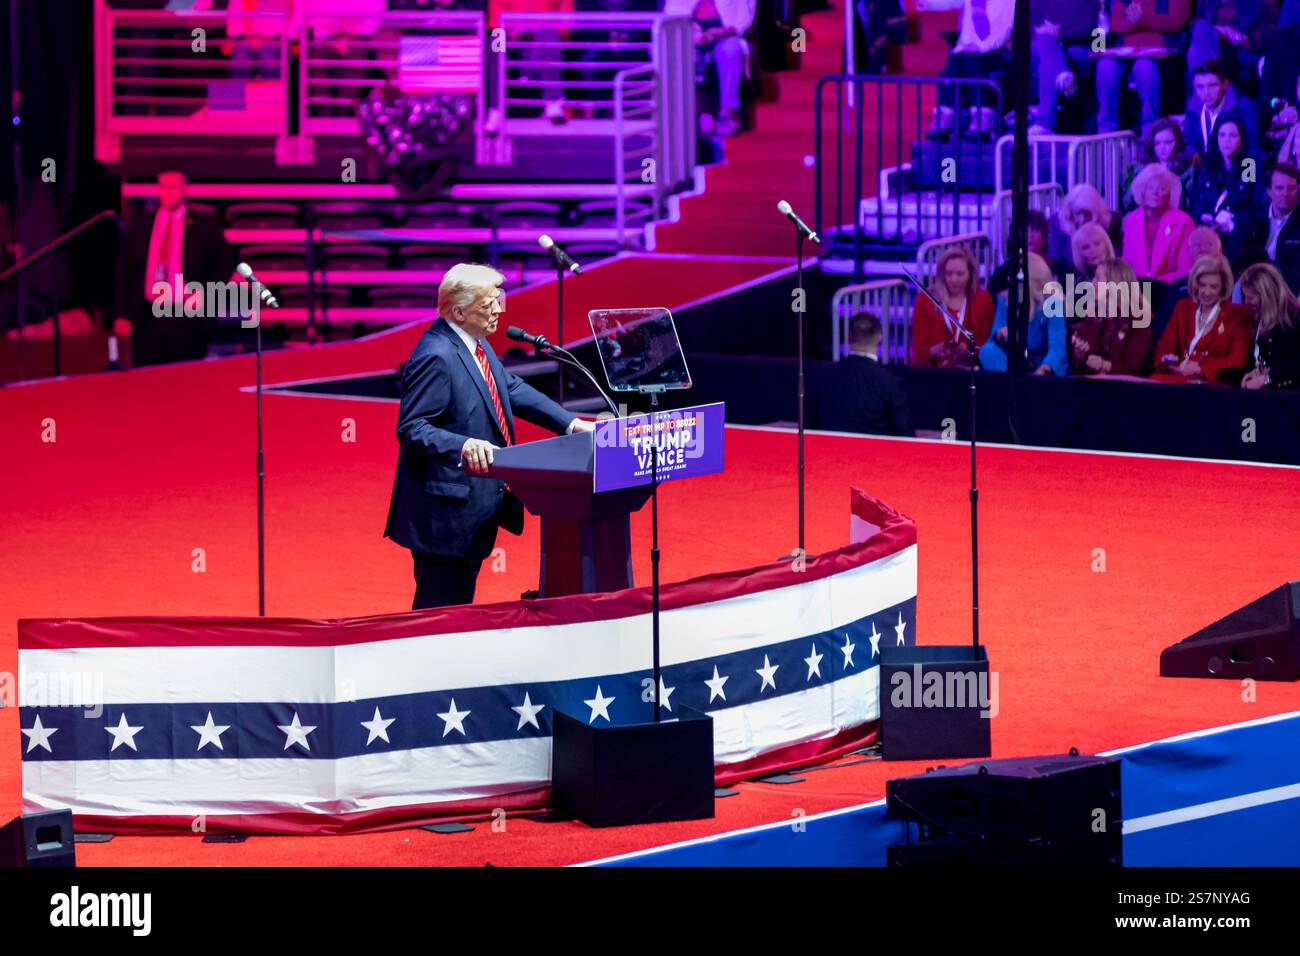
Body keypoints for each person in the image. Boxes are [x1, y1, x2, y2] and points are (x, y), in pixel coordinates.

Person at [384, 263, 596, 609]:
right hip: (444, 515)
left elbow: (510, 388)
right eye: (488, 303)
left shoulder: (473, 344)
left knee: (456, 607)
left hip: (470, 507)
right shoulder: (436, 355)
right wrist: (463, 444)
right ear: (459, 310)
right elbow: (412, 428)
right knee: (439, 612)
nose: (499, 308)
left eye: (499, 298)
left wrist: (571, 424)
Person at [112, 170, 237, 367]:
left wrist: (202, 293)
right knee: (147, 378)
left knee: (186, 376)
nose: (168, 192)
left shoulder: (205, 223)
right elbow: (124, 270)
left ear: (185, 189)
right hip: (147, 315)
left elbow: (225, 263)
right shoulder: (141, 222)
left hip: (186, 314)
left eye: (174, 186)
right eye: (163, 186)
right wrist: (121, 314)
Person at [919, 0, 1014, 139]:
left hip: (1000, 50)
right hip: (973, 51)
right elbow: (964, 27)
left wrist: (981, 48)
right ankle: (945, 118)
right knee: (956, 58)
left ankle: (982, 120)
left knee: (971, 59)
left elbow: (1006, 30)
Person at [808, 313, 915, 437]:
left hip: (825, 454)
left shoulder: (821, 377)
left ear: (848, 337)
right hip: (875, 455)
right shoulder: (891, 384)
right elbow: (905, 437)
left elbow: (809, 429)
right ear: (880, 337)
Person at [1154, 253, 1254, 381]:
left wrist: (1200, 369)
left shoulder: (1238, 315)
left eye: (1213, 287)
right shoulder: (1183, 308)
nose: (1206, 292)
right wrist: (1173, 366)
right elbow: (1164, 348)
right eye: (1202, 285)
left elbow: (1238, 360)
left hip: (1210, 386)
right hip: (1175, 377)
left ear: (1223, 287)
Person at [666, 0, 755, 137]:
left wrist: (724, 31)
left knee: (731, 49)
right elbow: (671, 14)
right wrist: (691, 30)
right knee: (668, 51)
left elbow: (744, 20)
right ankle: (675, 117)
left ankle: (728, 112)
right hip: (689, 35)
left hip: (726, 35)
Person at [979, 252, 1068, 375]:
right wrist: (1000, 335)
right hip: (1013, 362)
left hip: (1043, 364)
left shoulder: (1053, 303)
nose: (1009, 279)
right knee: (988, 351)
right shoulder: (1004, 301)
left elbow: (1057, 345)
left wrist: (1045, 368)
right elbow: (992, 339)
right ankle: (1010, 390)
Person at [1185, 117, 1258, 261]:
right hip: (1209, 228)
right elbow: (1197, 205)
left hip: (1237, 230)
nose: (1227, 140)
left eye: (1233, 135)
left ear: (1241, 138)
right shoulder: (1206, 167)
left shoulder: (1249, 165)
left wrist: (1229, 221)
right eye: (1222, 135)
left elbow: (1251, 203)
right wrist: (1205, 216)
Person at [909, 245, 995, 367]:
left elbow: (987, 345)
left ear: (970, 274)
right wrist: (935, 350)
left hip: (972, 372)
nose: (954, 280)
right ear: (941, 274)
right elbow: (918, 351)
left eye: (960, 274)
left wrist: (968, 350)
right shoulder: (925, 299)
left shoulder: (982, 299)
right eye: (949, 274)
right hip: (932, 372)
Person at [1070, 257, 1153, 375]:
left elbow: (1134, 367)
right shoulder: (1093, 315)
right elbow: (1078, 366)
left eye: (1098, 278)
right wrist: (1079, 355)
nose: (1092, 283)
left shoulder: (1139, 319)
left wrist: (1105, 365)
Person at [1029, 0, 1101, 132]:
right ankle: (1063, 74)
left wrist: (1059, 33)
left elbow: (1094, 30)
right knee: (1044, 43)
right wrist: (1043, 32)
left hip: (1079, 49)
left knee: (1048, 62)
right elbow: (1030, 28)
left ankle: (1045, 124)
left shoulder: (1090, 3)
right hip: (1045, 46)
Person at [1121, 163, 1198, 283]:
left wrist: (1155, 282)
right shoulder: (1131, 220)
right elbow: (1126, 264)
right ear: (1142, 191)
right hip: (1137, 290)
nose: (1155, 193)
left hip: (1168, 290)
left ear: (1171, 193)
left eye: (1162, 189)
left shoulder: (1184, 222)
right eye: (1150, 188)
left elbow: (1186, 268)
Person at [1238, 261, 1300, 389]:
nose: (1246, 301)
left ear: (1266, 295)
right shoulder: (1260, 317)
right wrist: (1256, 372)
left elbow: (1294, 363)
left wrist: (1266, 379)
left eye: (1250, 297)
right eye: (1245, 296)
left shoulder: (1293, 318)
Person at [1182, 59, 1260, 159]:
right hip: (1207, 170)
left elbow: (1253, 148)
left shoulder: (1243, 106)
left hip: (1237, 169)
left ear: (1225, 84)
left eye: (1212, 86)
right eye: (1200, 87)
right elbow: (1189, 139)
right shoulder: (1193, 106)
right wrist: (1194, 155)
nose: (1206, 93)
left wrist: (1249, 174)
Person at [1243, 162, 1300, 291]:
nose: (1285, 193)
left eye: (1291, 188)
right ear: (1269, 191)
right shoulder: (1252, 218)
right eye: (1280, 188)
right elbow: (1238, 256)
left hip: (1289, 289)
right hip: (1252, 284)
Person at [1119, 118, 1194, 213]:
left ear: (1178, 142)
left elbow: (1188, 205)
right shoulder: (1136, 168)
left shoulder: (1189, 170)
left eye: (1168, 142)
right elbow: (1126, 202)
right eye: (1157, 143)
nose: (1162, 147)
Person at [1048, 183, 1116, 265]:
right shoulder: (1057, 225)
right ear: (1071, 213)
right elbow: (1062, 266)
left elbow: (1113, 259)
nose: (1082, 219)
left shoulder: (1110, 223)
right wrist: (1070, 278)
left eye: (1087, 213)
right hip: (1071, 274)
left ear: (1096, 213)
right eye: (1078, 213)